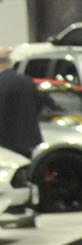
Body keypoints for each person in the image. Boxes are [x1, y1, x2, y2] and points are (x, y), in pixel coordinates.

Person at [0, 47, 40, 226]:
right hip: (29, 138)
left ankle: (13, 211)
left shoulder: (1, 84)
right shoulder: (27, 81)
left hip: (7, 140)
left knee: (10, 179)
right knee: (27, 177)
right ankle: (28, 211)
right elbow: (39, 106)